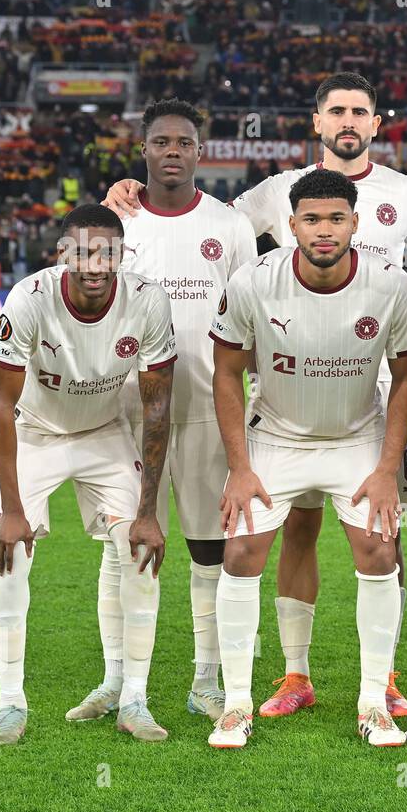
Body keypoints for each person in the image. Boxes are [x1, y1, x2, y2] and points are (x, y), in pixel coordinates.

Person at [105, 73, 407, 721]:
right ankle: (295, 673)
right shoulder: (273, 192)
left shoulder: (405, 193)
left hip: (377, 399)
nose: (348, 121)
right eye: (336, 111)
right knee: (297, 525)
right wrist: (132, 192)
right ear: (317, 121)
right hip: (290, 393)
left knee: (384, 536)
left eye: (360, 111)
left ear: (376, 122)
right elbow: (200, 219)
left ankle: (386, 676)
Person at [207, 169, 407, 749]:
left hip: (357, 438)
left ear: (355, 223)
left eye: (335, 219)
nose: (323, 230)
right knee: (240, 551)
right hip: (276, 438)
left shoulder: (392, 285)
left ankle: (374, 702)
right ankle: (238, 704)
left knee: (380, 551)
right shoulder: (254, 281)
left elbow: (406, 380)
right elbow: (226, 374)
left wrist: (386, 468)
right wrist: (240, 468)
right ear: (291, 225)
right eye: (310, 219)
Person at [70, 99, 256, 728]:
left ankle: (206, 680)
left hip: (207, 408)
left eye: (184, 142)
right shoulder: (118, 222)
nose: (172, 151)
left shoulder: (230, 225)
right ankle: (114, 680)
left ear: (200, 151)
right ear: (143, 150)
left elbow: (249, 315)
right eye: (161, 142)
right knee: (123, 545)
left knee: (209, 548)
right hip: (126, 412)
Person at [0, 204, 176, 746]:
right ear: (61, 254)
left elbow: (157, 408)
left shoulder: (147, 301)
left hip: (103, 432)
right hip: (33, 433)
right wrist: (13, 511)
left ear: (122, 254)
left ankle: (133, 698)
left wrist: (147, 512)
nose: (95, 264)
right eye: (83, 252)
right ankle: (10, 704)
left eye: (107, 252)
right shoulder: (29, 298)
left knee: (139, 550)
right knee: (11, 556)